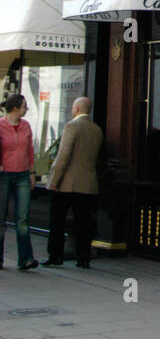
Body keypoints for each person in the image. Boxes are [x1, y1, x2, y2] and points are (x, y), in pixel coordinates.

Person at [44, 97, 104, 269]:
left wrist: (54, 180)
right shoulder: (97, 130)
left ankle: (55, 255)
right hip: (88, 183)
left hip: (67, 183)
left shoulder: (71, 126)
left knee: (57, 220)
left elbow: (63, 156)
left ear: (77, 108)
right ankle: (83, 258)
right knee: (84, 223)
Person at [0, 93, 39, 270]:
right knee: (1, 219)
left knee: (22, 218)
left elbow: (30, 151)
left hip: (23, 174)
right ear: (15, 108)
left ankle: (26, 259)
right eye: (24, 106)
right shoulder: (1, 125)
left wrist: (32, 172)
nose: (27, 109)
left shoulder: (26, 126)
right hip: (4, 176)